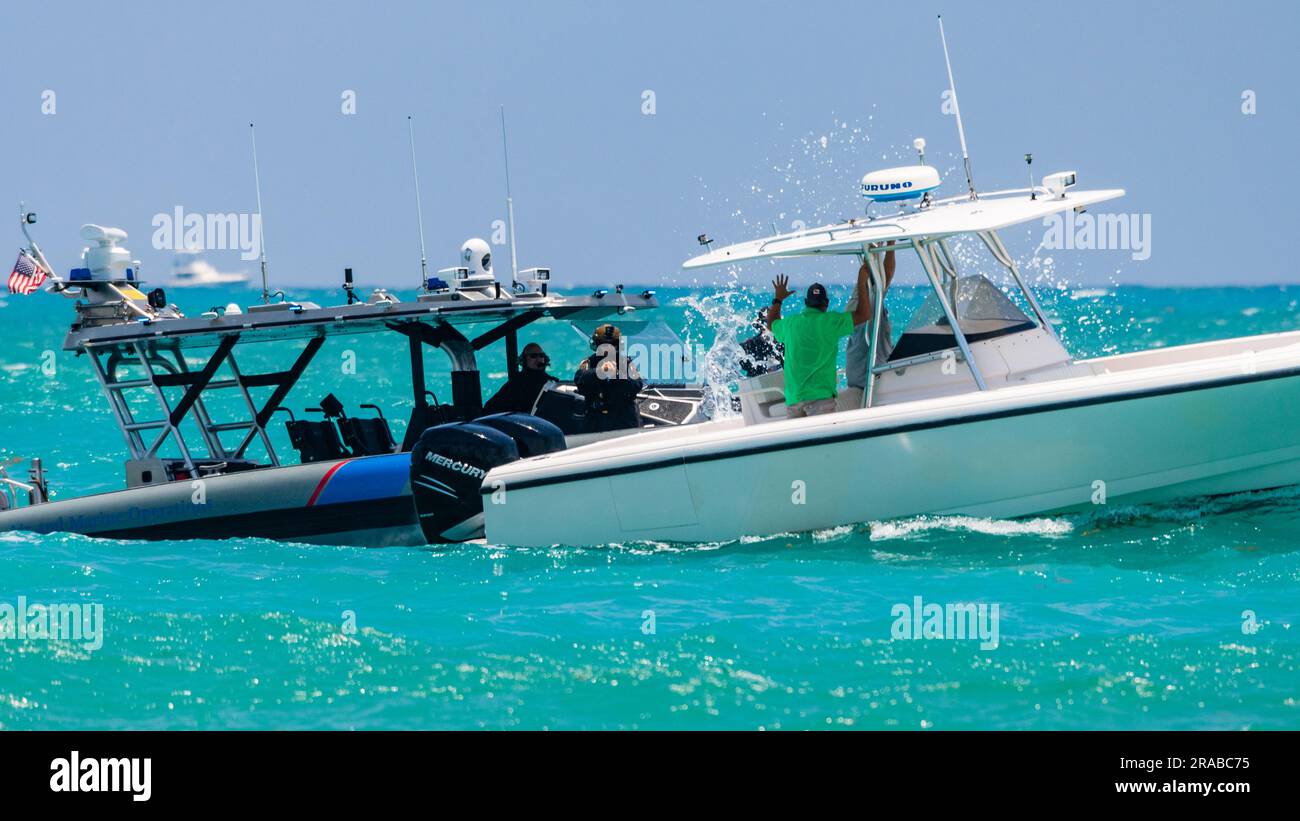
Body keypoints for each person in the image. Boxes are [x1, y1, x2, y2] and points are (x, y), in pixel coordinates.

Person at [766, 261, 875, 418]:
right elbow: (864, 315)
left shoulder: (790, 324)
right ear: (826, 303)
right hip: (820, 399)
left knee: (799, 442)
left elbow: (771, 323)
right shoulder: (831, 322)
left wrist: (778, 299)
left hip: (794, 399)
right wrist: (861, 281)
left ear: (806, 303)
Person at [843, 242, 896, 407]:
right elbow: (884, 278)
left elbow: (884, 278)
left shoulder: (872, 304)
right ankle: (874, 252)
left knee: (877, 285)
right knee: (877, 286)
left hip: (868, 378)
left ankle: (874, 253)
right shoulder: (864, 309)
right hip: (865, 380)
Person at [574, 324, 644, 432]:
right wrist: (599, 372)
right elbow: (580, 380)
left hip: (623, 420)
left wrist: (617, 375)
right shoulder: (589, 362)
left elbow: (636, 385)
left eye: (612, 345)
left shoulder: (626, 363)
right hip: (595, 420)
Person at [482, 342, 559, 415]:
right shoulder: (517, 382)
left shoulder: (552, 382)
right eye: (533, 356)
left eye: (541, 355)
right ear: (524, 360)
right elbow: (491, 407)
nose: (538, 359)